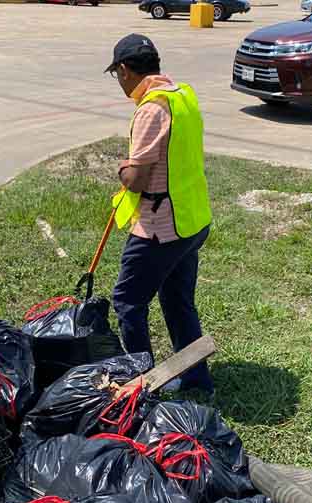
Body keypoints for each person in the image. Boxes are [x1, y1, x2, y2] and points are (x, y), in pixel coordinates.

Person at [106, 34, 214, 394]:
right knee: (177, 299)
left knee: (127, 302)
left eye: (116, 75)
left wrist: (122, 168)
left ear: (125, 70)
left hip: (160, 226)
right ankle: (197, 379)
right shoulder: (182, 95)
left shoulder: (152, 108)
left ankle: (142, 386)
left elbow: (135, 181)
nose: (119, 83)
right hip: (192, 220)